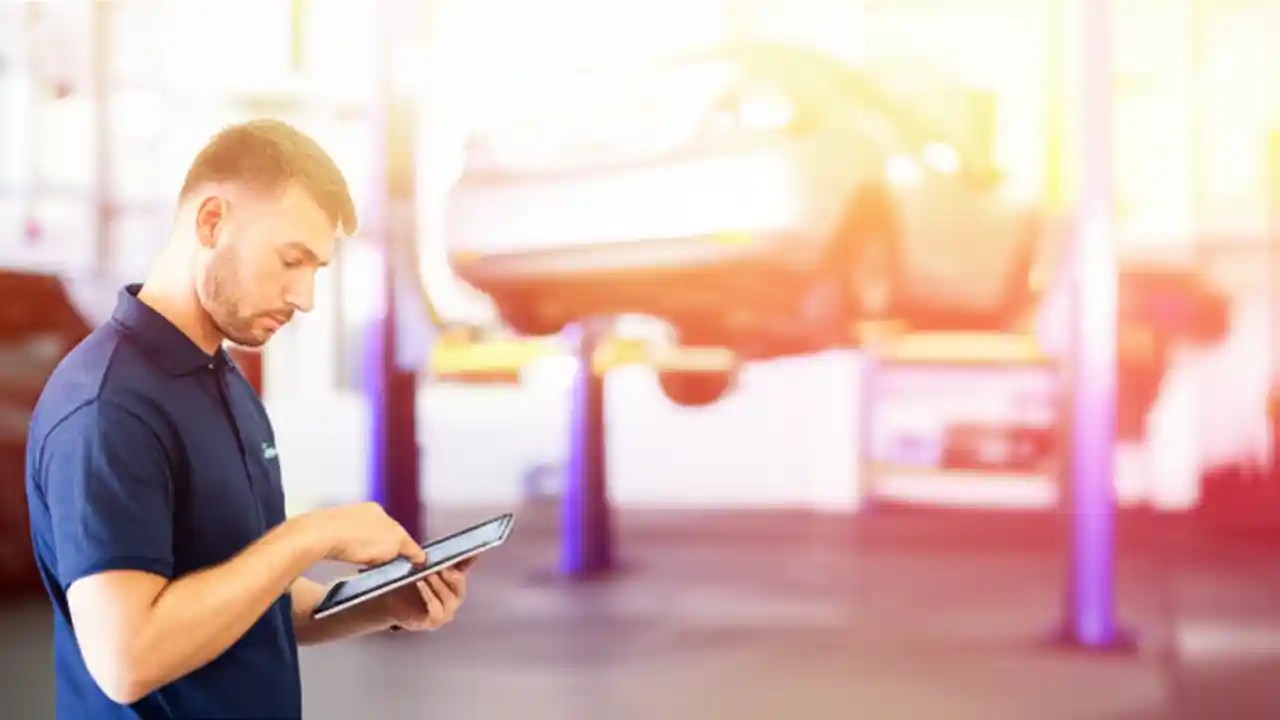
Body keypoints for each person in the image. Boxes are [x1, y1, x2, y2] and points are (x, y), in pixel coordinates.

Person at [24, 119, 470, 719]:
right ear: (212, 222)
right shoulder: (108, 408)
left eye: (317, 269)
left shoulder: (222, 381)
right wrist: (311, 535)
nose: (306, 296)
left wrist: (381, 605)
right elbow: (126, 659)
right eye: (292, 260)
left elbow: (246, 593)